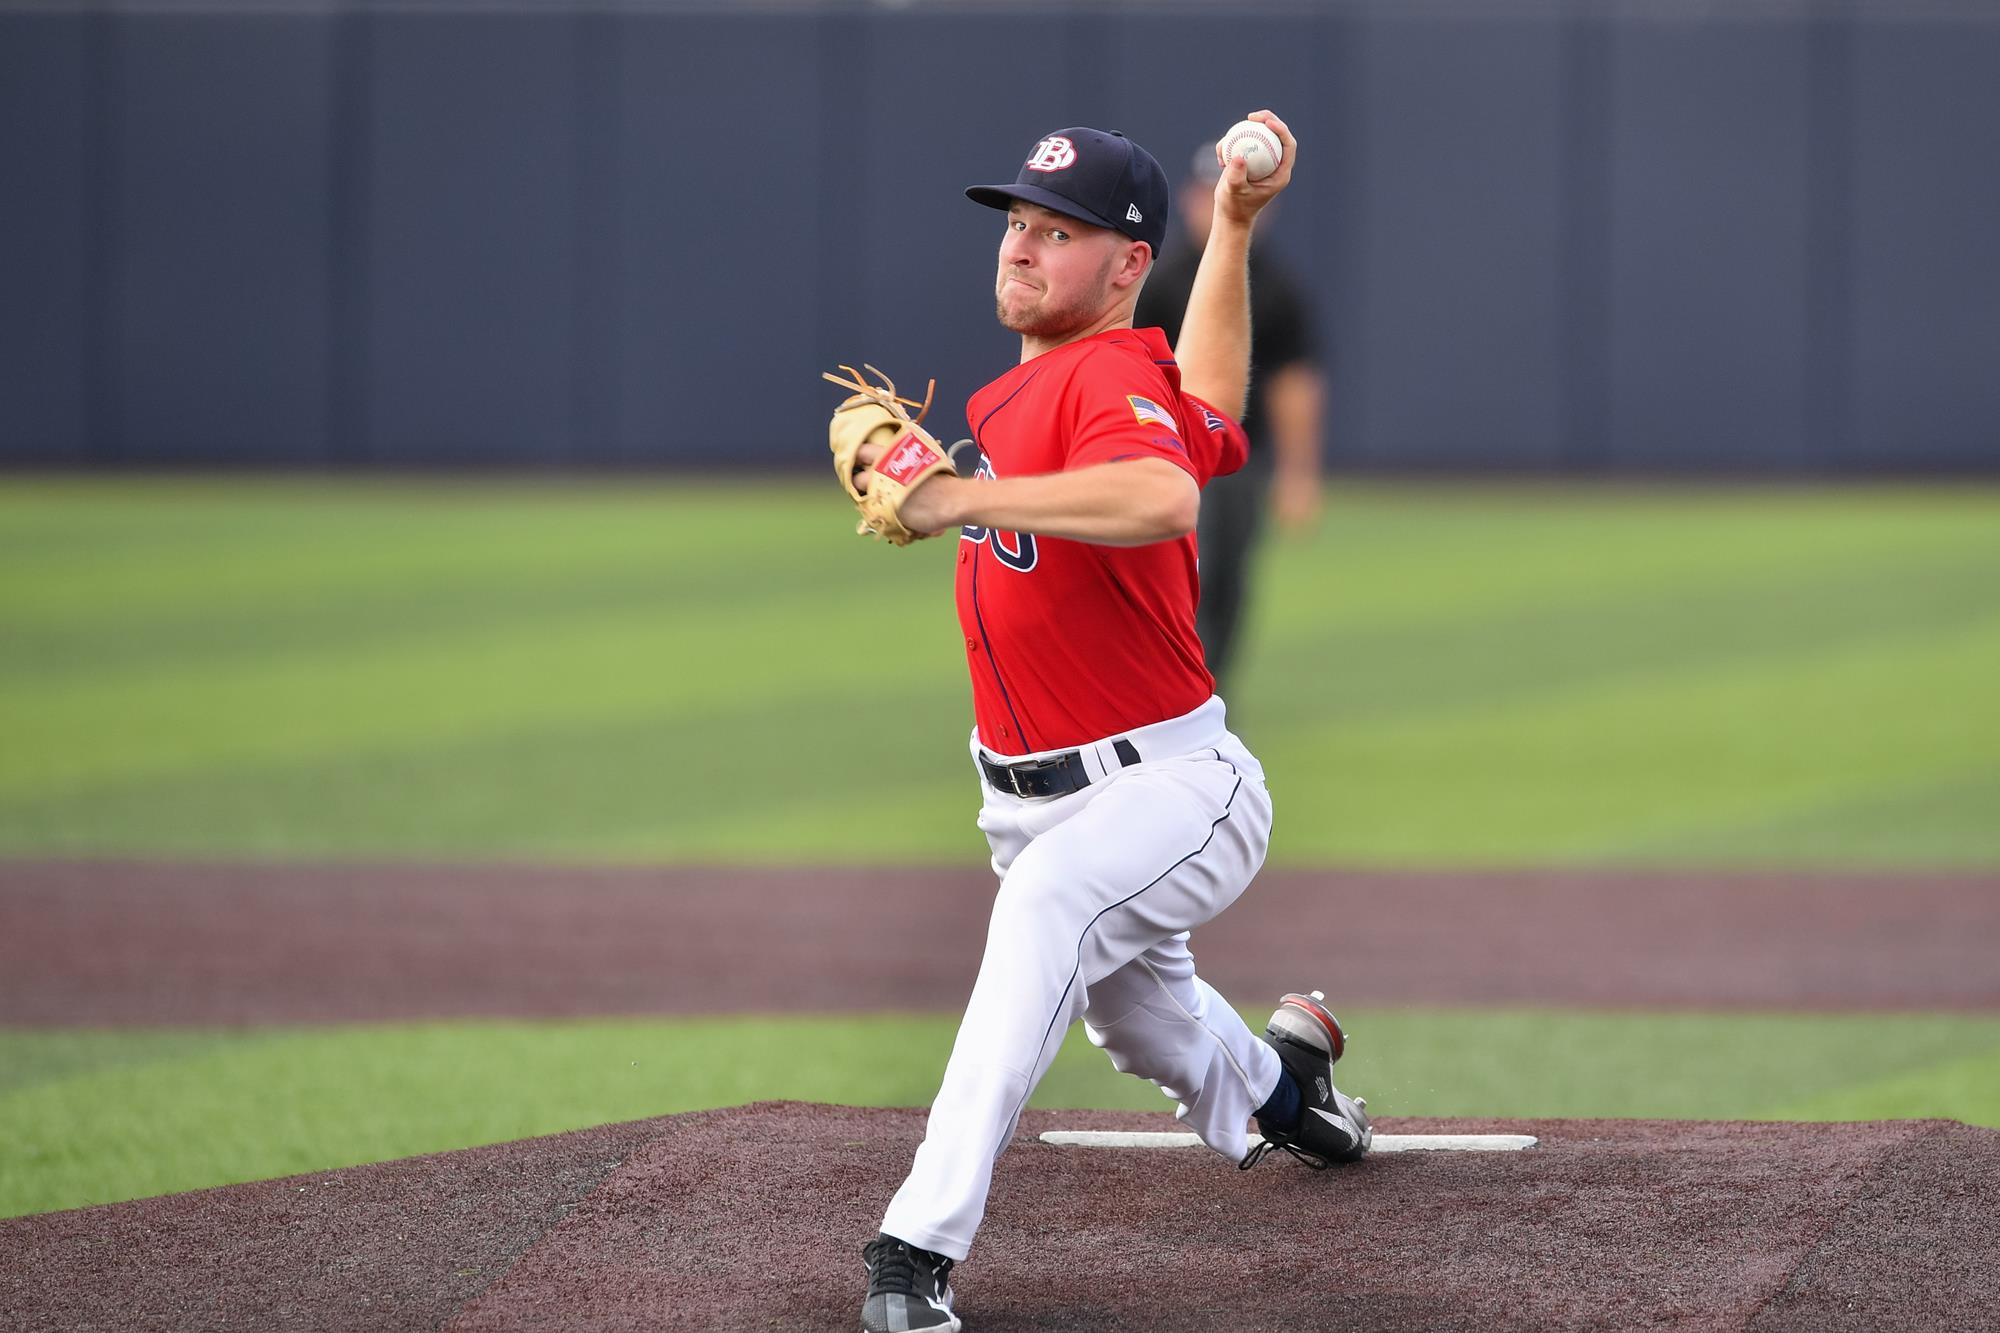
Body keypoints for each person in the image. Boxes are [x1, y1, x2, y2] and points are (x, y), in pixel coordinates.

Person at [832, 115, 1372, 1333]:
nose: (1022, 244)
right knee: (1143, 1022)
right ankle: (1288, 1092)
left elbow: (1164, 488)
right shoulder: (1040, 388)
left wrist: (959, 493)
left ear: (1128, 265)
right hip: (1029, 800)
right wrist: (1231, 225)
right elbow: (1217, 408)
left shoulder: (1109, 373)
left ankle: (915, 1248)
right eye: (1017, 220)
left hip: (1176, 782)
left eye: (1058, 230)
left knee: (1044, 910)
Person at [1133, 144, 1327, 694]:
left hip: (1241, 459)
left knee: (1229, 583)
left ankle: (1209, 695)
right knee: (1185, 577)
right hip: (1167, 459)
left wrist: (1299, 475)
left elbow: (1294, 384)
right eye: (1201, 193)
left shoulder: (1276, 287)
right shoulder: (1160, 280)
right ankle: (1170, 694)